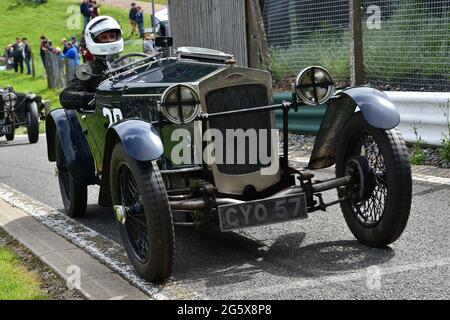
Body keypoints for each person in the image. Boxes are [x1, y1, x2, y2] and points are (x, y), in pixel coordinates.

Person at [60, 15, 124, 110]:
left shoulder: (130, 63)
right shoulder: (88, 69)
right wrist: (96, 97)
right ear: (94, 40)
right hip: (101, 118)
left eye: (112, 36)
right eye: (104, 37)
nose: (109, 40)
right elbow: (66, 96)